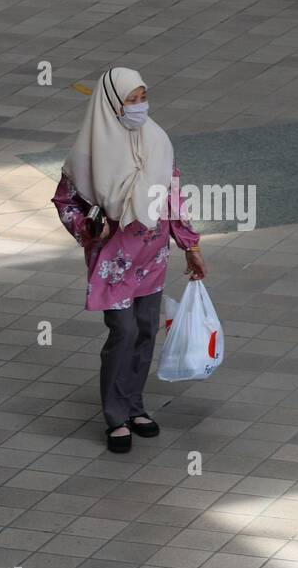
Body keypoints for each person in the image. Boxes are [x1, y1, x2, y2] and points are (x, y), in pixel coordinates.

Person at [52, 67, 206, 454]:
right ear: (110, 104)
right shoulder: (88, 152)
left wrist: (190, 245)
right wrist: (88, 228)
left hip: (152, 256)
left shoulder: (157, 140)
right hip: (112, 260)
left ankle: (136, 406)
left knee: (144, 329)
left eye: (143, 98)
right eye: (130, 100)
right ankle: (115, 415)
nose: (139, 107)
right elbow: (66, 202)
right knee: (122, 331)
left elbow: (172, 196)